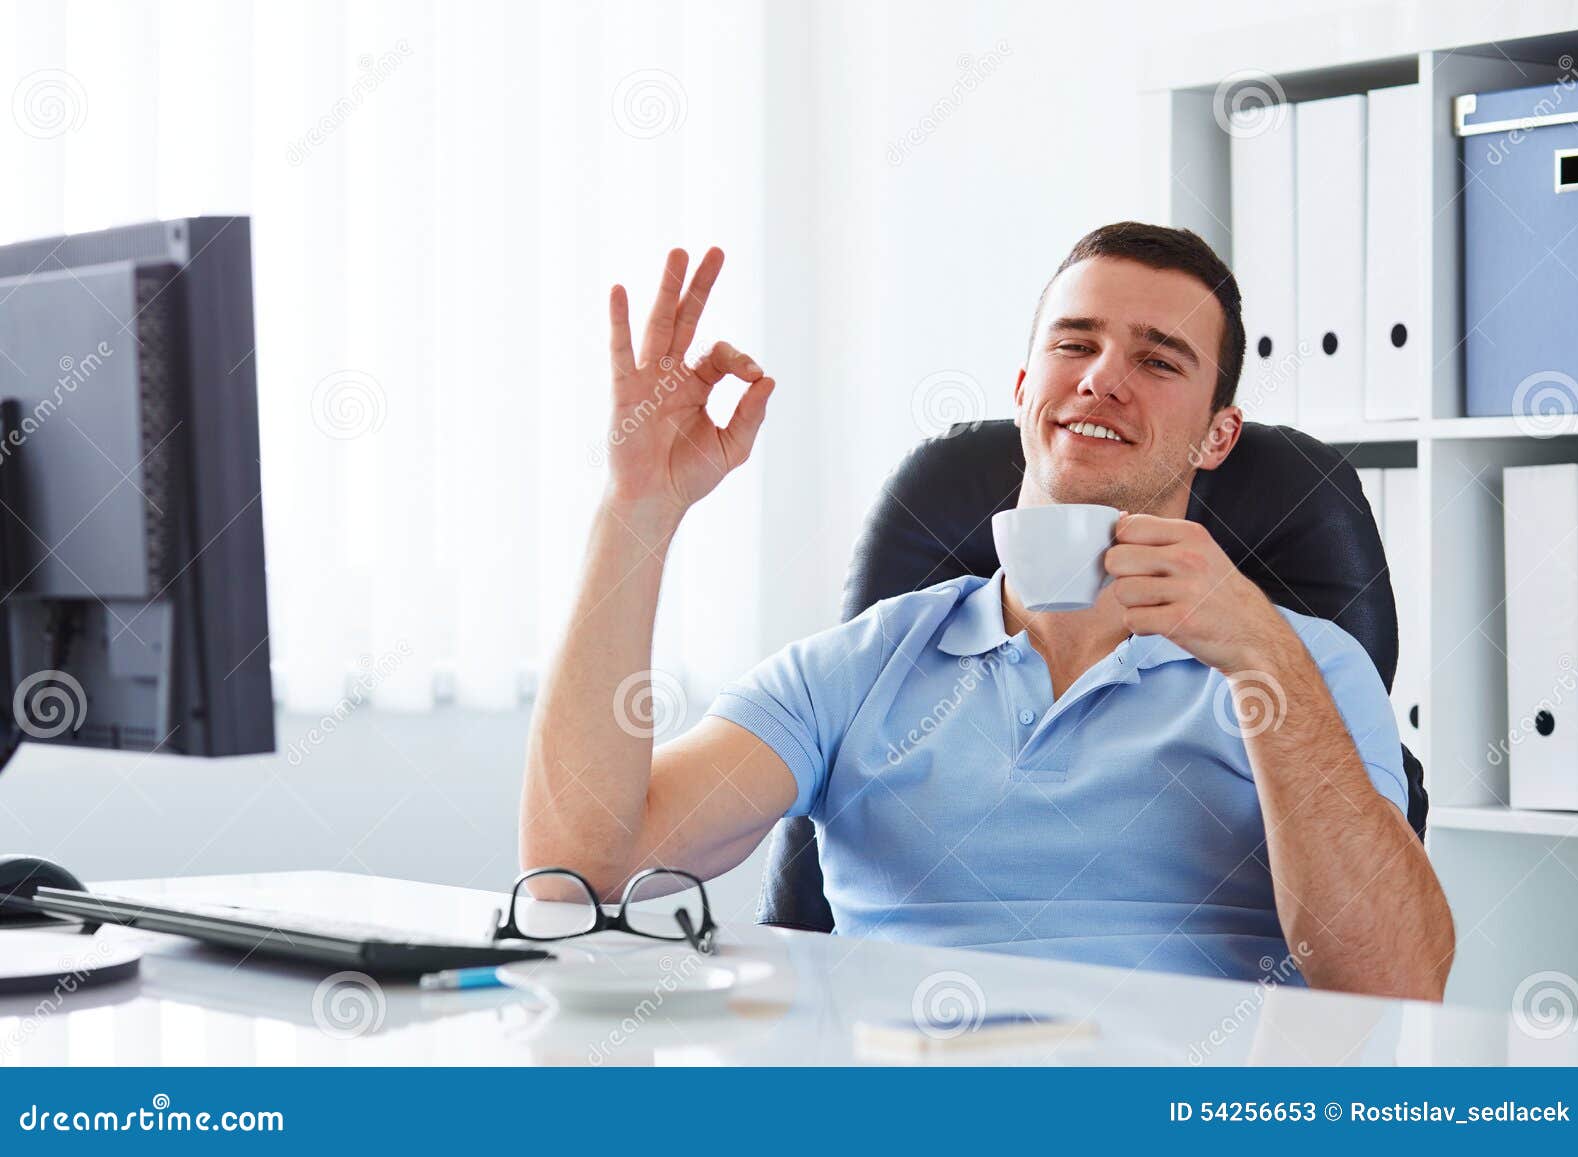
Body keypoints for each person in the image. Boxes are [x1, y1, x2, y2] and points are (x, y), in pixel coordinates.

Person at [520, 222, 1455, 999]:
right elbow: (580, 869)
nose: (1101, 378)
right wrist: (637, 512)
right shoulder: (865, 662)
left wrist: (1259, 655)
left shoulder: (1303, 663)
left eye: (1158, 359)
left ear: (1219, 435)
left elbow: (1395, 985)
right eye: (1075, 344)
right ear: (1023, 391)